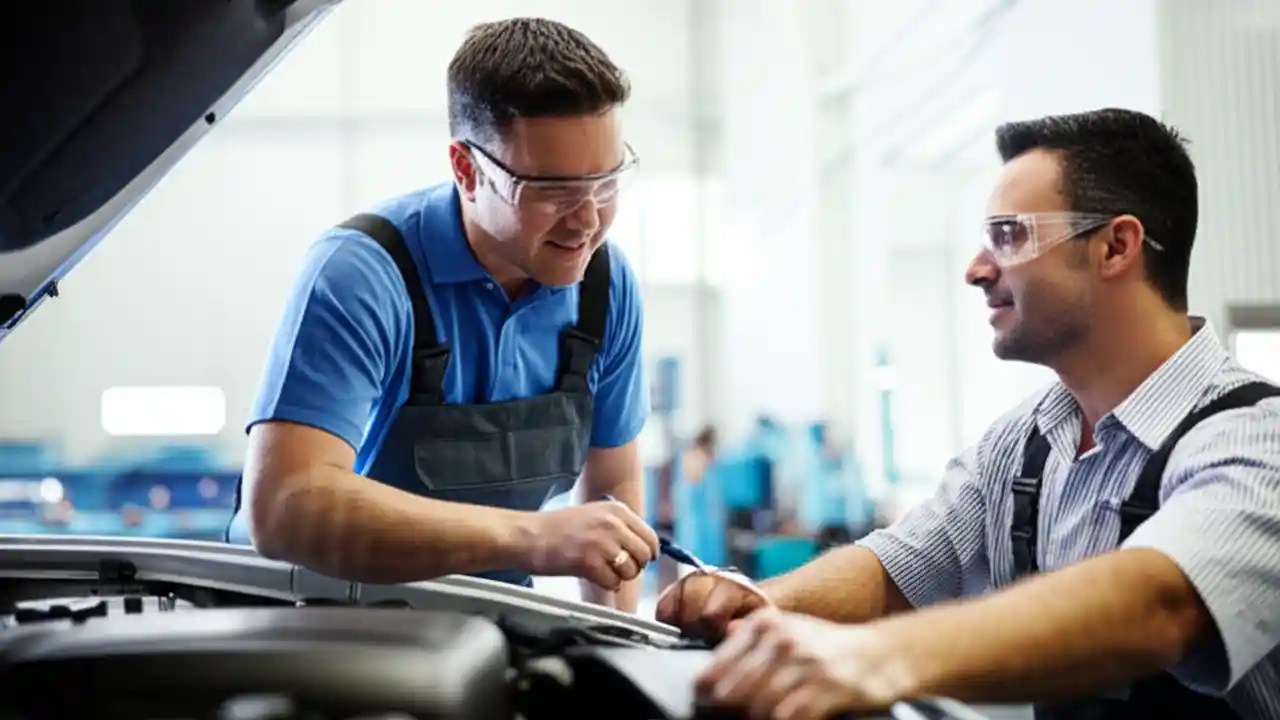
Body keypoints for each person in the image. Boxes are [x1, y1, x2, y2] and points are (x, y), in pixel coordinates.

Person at [657, 108, 1280, 718]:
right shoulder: (1022, 443)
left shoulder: (1258, 441)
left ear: (1116, 246)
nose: (977, 270)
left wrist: (875, 658)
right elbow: (898, 566)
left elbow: (1162, 603)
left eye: (1009, 236)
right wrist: (757, 605)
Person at [224, 17, 658, 612]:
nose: (588, 221)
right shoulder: (364, 275)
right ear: (466, 169)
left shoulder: (604, 285)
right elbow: (282, 507)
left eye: (605, 182)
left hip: (487, 626)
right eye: (552, 190)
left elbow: (613, 489)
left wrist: (619, 640)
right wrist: (533, 538)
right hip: (319, 625)